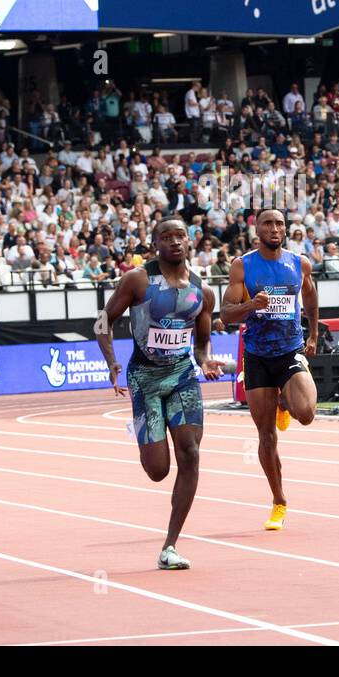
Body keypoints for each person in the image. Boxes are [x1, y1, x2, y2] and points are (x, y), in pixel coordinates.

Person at [97, 216, 224, 569]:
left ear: (190, 241)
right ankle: (141, 428)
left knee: (191, 453)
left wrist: (206, 362)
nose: (174, 242)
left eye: (180, 235)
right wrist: (111, 362)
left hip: (182, 376)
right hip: (144, 379)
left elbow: (201, 343)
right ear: (156, 244)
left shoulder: (202, 290)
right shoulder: (137, 280)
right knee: (158, 470)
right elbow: (102, 321)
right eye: (166, 237)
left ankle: (170, 546)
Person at [220, 209, 319, 530]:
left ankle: (284, 401)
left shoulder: (298, 263)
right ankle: (279, 500)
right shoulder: (242, 266)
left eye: (279, 224)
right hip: (258, 356)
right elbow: (225, 314)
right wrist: (251, 306)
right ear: (257, 230)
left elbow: (311, 294)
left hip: (289, 349)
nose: (274, 229)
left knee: (306, 413)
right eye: (268, 224)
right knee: (266, 435)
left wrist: (314, 333)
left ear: (285, 229)